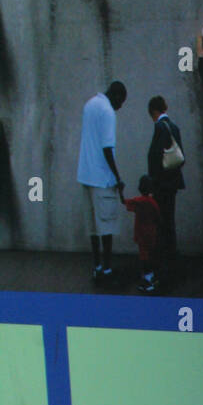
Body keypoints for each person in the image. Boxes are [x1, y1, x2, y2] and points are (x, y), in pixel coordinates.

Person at [77, 81, 127, 283]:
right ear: (116, 96)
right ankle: (106, 270)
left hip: (85, 175)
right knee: (106, 226)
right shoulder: (108, 112)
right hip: (102, 178)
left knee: (93, 228)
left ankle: (96, 266)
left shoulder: (90, 104)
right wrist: (118, 177)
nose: (120, 106)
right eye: (121, 102)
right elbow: (107, 148)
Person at [146, 95, 185, 281]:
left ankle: (164, 265)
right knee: (170, 221)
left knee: (162, 223)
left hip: (161, 185)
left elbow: (155, 158)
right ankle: (173, 260)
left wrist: (153, 183)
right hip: (173, 183)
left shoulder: (159, 128)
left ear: (153, 112)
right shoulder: (175, 127)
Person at [124, 175, 161, 293]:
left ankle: (147, 279)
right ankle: (150, 278)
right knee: (150, 256)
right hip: (151, 234)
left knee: (144, 257)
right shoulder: (153, 202)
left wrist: (120, 190)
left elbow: (124, 202)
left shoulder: (138, 201)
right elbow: (158, 218)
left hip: (141, 235)